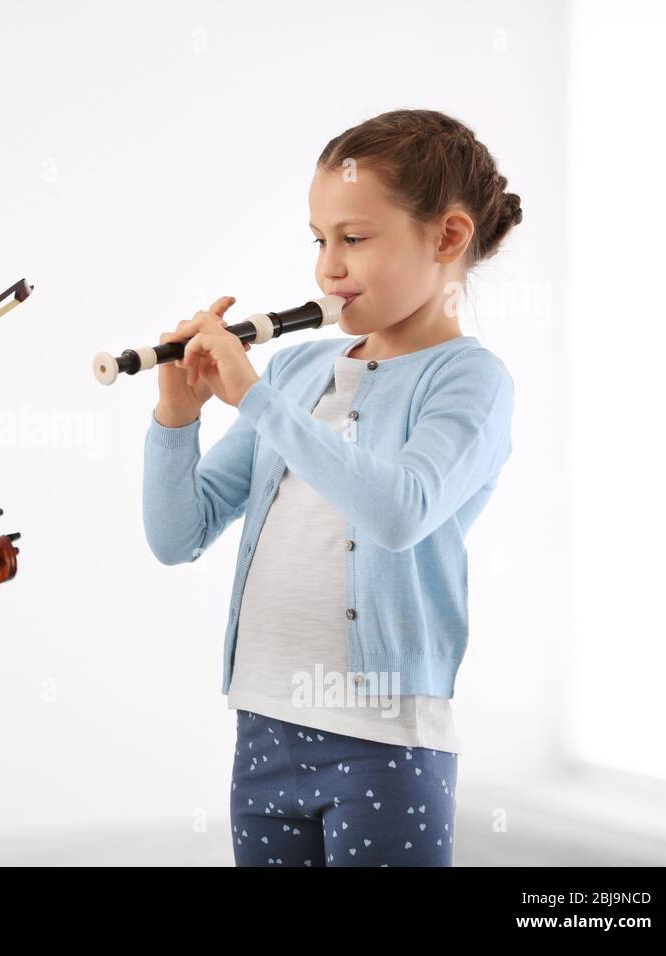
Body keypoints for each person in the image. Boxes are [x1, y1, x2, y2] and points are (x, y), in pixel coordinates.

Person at [142, 109, 521, 866]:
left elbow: (396, 510)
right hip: (263, 725)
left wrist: (255, 398)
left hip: (382, 742)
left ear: (446, 238)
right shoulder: (297, 370)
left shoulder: (469, 380)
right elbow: (176, 536)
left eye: (354, 238)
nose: (328, 269)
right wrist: (176, 417)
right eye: (319, 241)